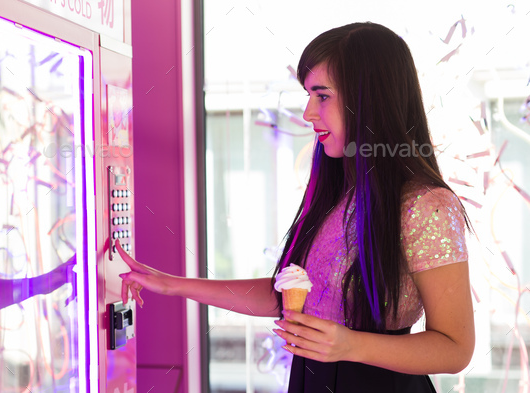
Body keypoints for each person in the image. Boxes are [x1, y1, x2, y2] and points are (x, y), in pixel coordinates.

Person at [115, 22, 475, 393]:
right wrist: (171, 285)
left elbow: (455, 348)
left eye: (322, 96)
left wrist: (351, 345)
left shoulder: (427, 206)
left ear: (370, 99)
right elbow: (285, 296)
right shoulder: (339, 192)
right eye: (308, 95)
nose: (307, 113)